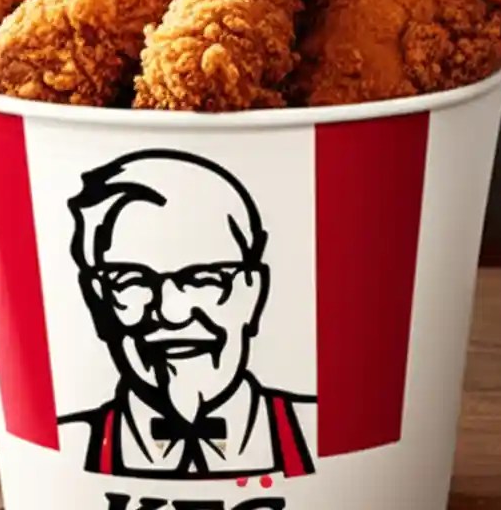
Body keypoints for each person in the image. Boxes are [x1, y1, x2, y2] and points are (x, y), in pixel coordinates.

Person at [59, 149, 316, 479]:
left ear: (252, 291)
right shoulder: (65, 448)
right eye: (133, 281)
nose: (172, 312)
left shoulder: (330, 433)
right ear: (98, 302)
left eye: (204, 279)